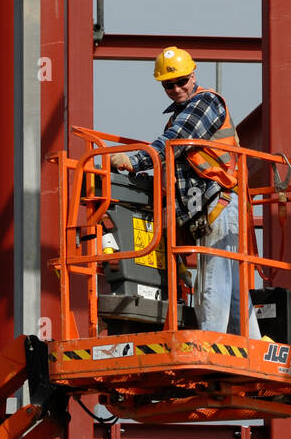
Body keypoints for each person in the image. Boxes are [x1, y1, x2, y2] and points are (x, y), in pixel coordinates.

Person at [110, 46, 260, 337]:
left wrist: (135, 159)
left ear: (194, 75)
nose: (176, 88)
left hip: (219, 201)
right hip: (208, 209)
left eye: (181, 81)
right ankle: (254, 346)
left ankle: (207, 343)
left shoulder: (206, 102)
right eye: (169, 84)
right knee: (231, 287)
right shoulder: (179, 114)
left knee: (213, 281)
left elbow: (177, 139)